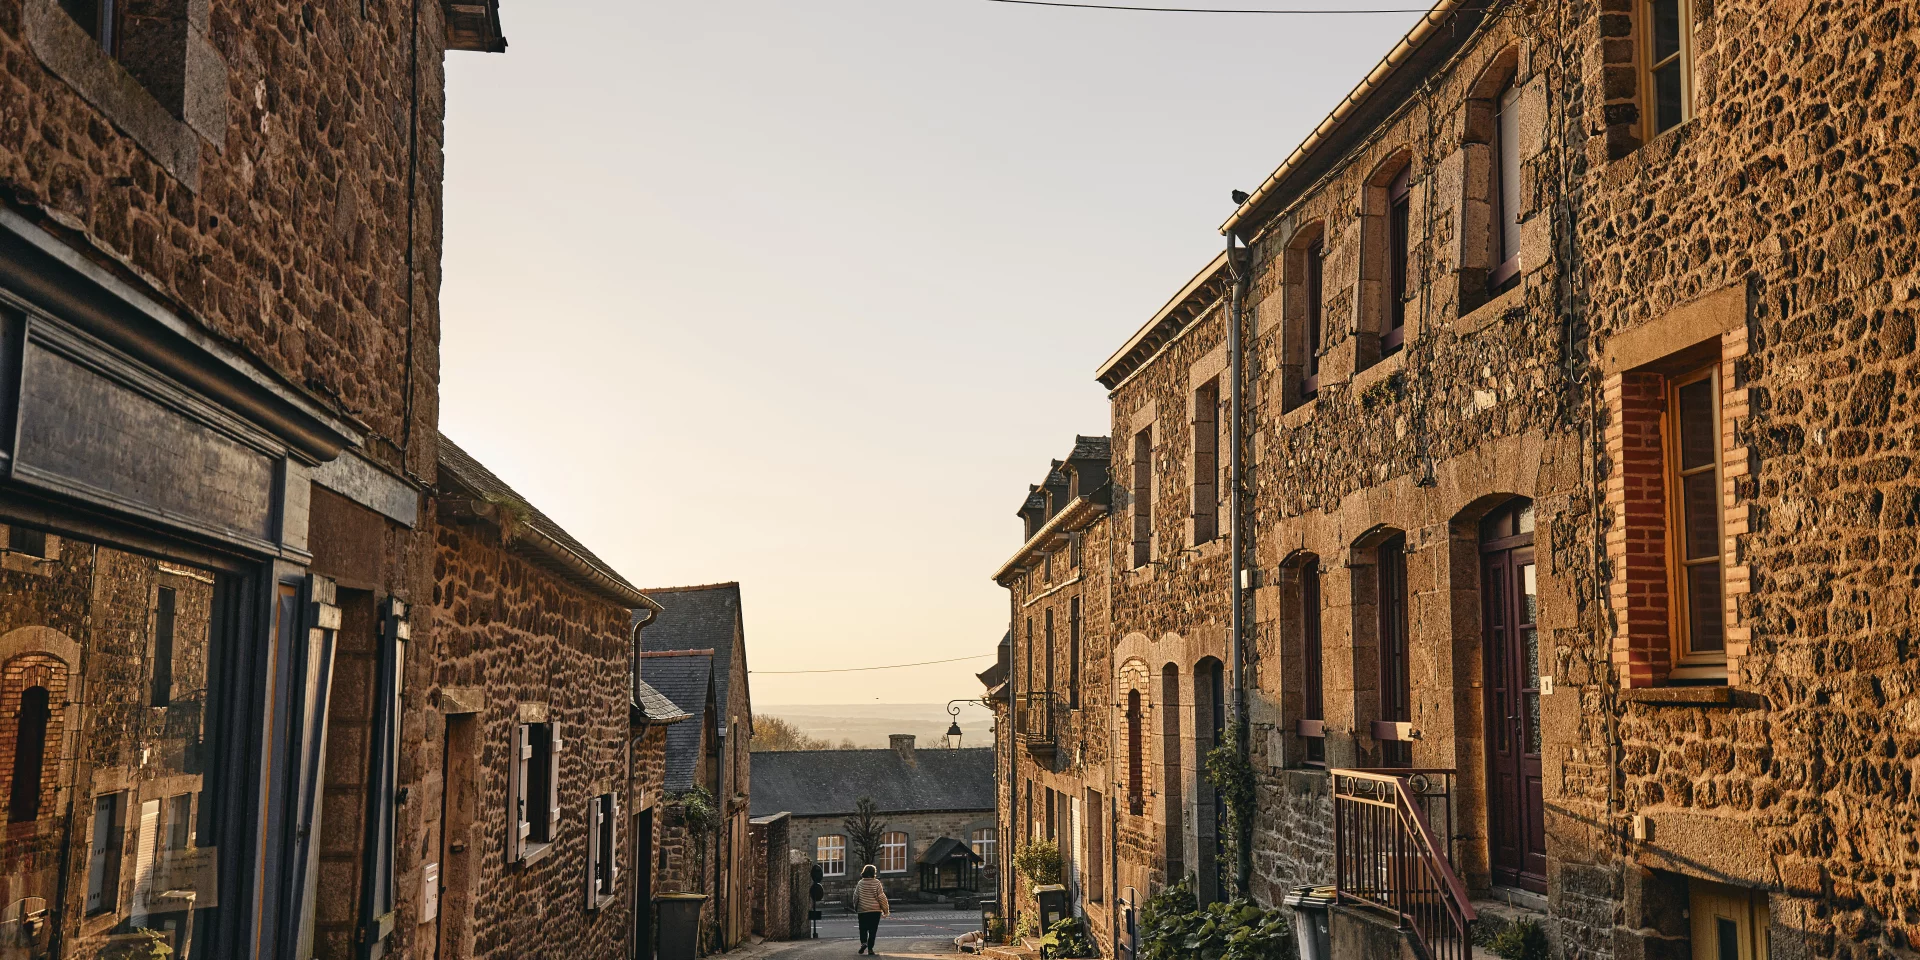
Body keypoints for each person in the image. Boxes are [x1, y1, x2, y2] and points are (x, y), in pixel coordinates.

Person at [853, 863, 890, 954]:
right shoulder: (877, 883)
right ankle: (870, 949)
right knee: (873, 930)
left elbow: (856, 896)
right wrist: (886, 910)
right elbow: (881, 897)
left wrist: (856, 907)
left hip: (863, 910)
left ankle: (863, 943)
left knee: (863, 928)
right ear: (874, 872)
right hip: (875, 911)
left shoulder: (860, 883)